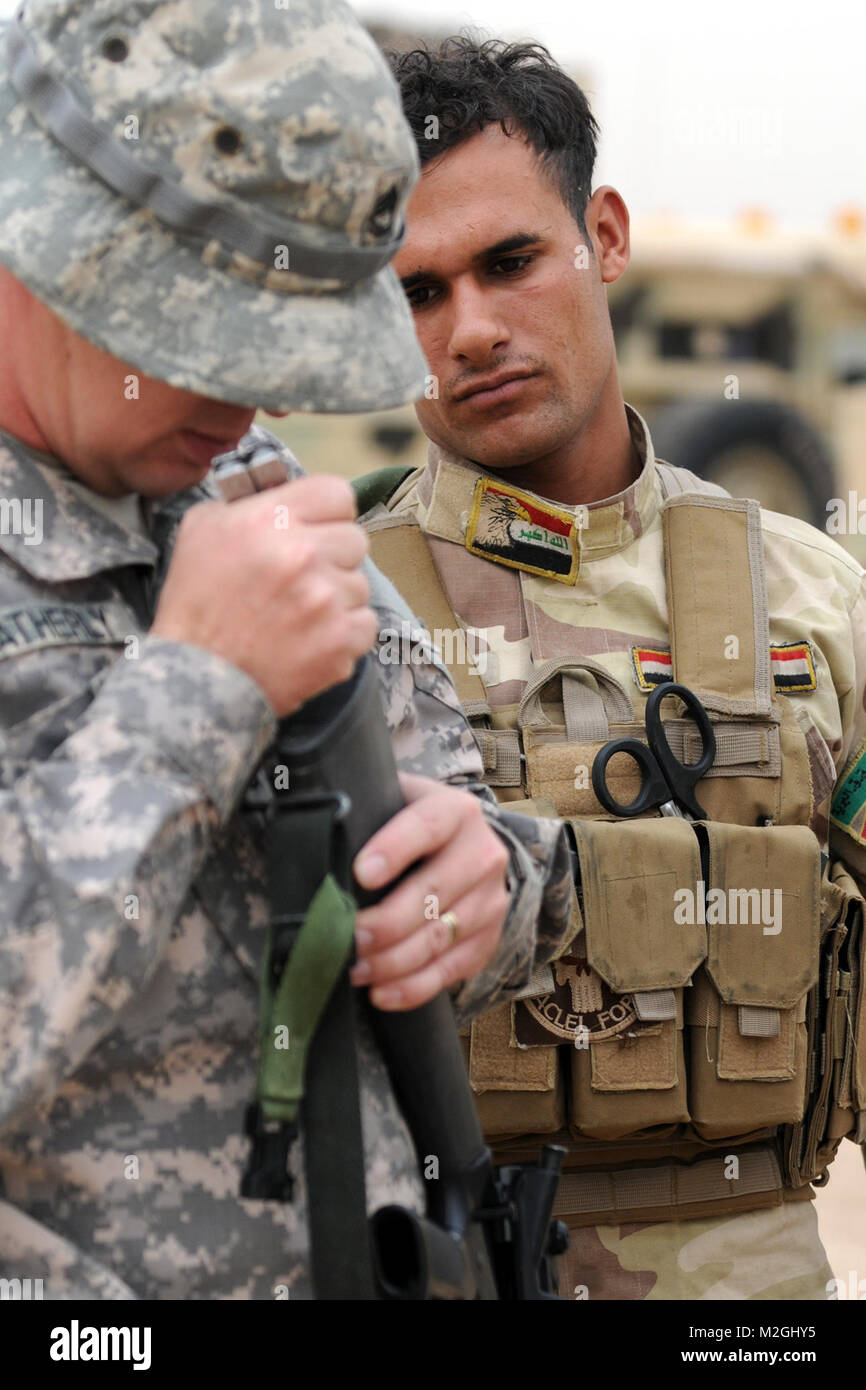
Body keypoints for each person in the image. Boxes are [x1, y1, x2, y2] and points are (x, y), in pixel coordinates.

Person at [0, 3, 574, 1301]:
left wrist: (487, 885)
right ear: (50, 245)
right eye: (207, 331)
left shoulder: (251, 496)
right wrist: (194, 686)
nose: (243, 398)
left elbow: (477, 840)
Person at [357, 35, 866, 1300]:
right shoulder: (320, 612)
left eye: (510, 262)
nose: (469, 329)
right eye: (417, 293)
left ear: (606, 236)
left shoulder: (818, 604)